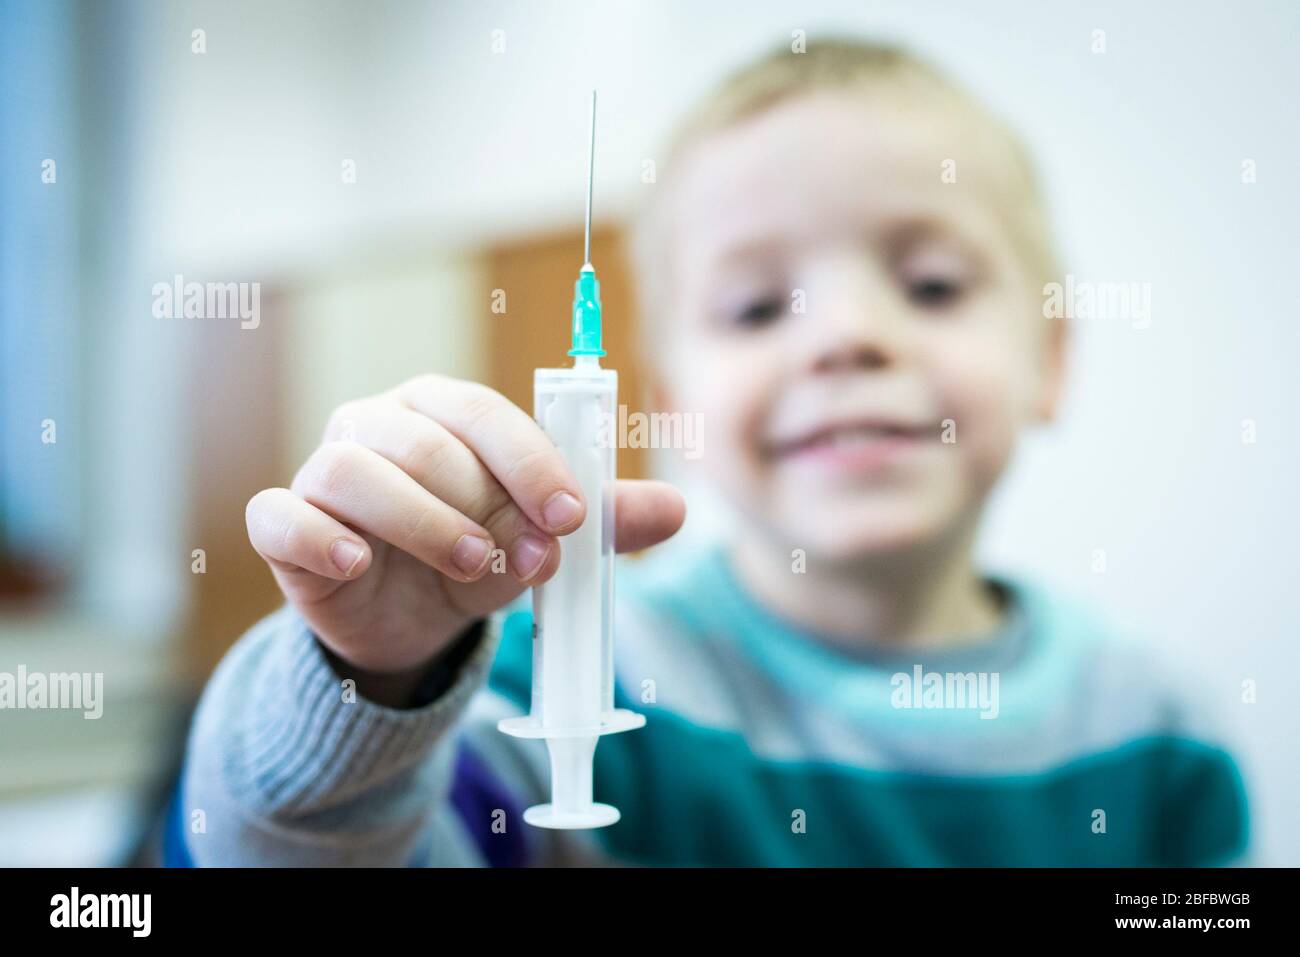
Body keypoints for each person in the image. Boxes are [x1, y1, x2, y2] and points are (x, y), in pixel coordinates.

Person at [172, 39, 1248, 866]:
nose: (843, 337)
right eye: (753, 305)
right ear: (674, 408)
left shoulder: (1156, 735)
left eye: (930, 285)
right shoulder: (533, 679)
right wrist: (376, 679)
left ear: (1049, 360)